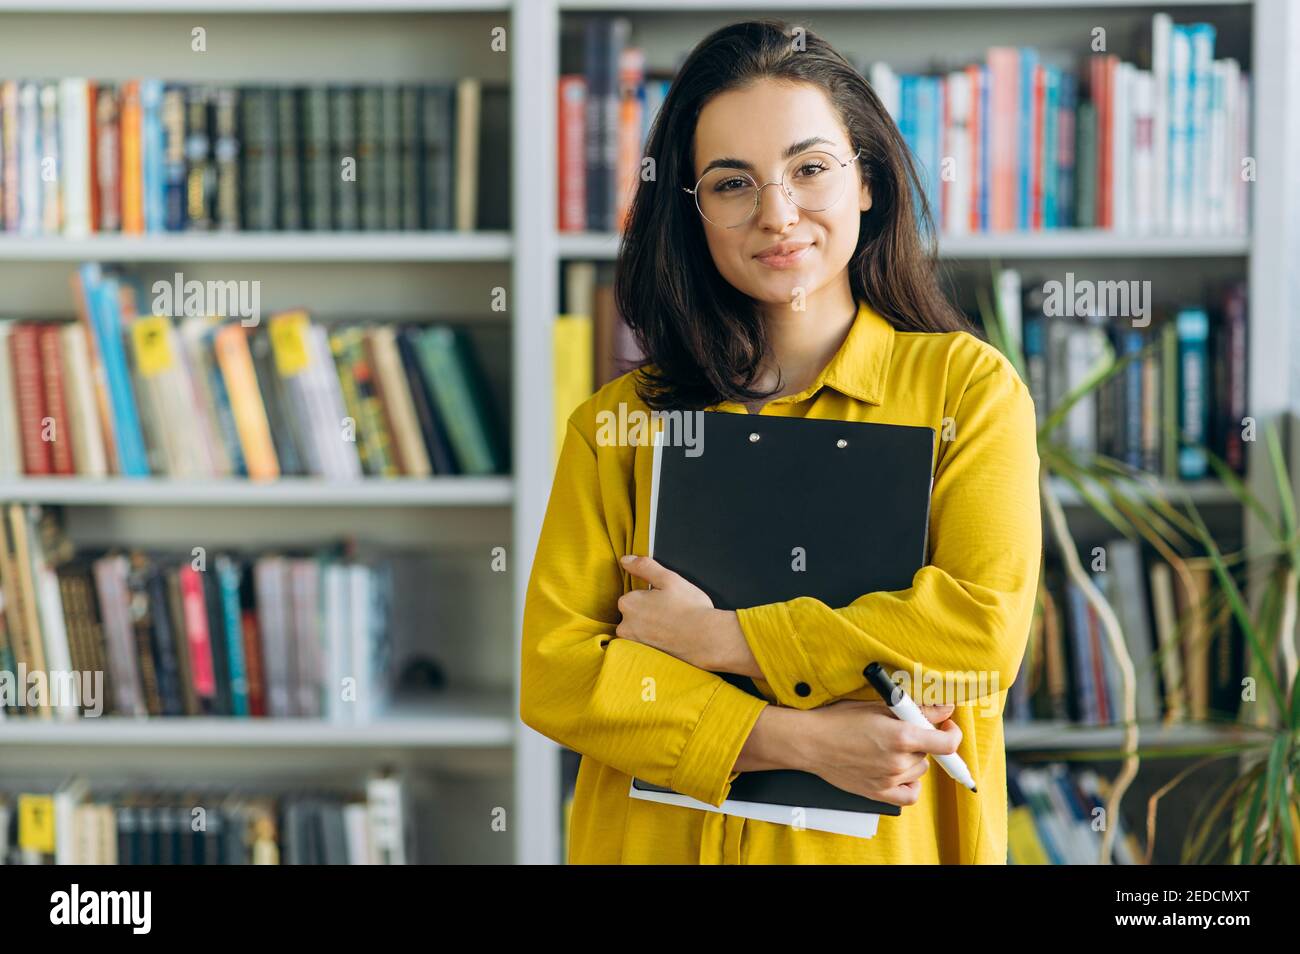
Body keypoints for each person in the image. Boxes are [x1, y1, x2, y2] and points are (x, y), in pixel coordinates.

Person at [520, 19, 1042, 864]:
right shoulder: (622, 424)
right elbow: (557, 676)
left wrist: (724, 638)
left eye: (810, 169)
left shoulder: (966, 391)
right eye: (732, 184)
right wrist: (788, 737)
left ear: (866, 180)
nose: (778, 213)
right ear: (690, 212)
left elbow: (978, 635)